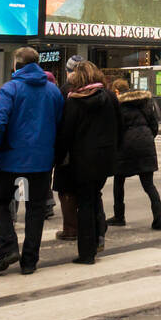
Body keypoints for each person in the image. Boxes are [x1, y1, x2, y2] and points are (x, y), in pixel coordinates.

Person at [0, 47, 65, 274]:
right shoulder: (53, 91)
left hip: (9, 158)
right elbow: (60, 125)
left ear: (16, 65)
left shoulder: (10, 89)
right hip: (42, 160)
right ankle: (29, 261)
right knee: (36, 208)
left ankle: (7, 247)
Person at [56, 61, 120, 263]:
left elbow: (65, 133)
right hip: (104, 159)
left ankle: (87, 252)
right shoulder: (109, 97)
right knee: (94, 196)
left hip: (81, 160)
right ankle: (98, 238)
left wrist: (58, 158)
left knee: (85, 202)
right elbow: (120, 125)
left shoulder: (74, 101)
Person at [109, 79, 161, 229]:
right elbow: (154, 125)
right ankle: (159, 215)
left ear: (116, 91)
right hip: (145, 144)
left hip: (126, 146)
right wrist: (147, 138)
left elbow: (116, 129)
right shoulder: (145, 102)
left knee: (119, 181)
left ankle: (119, 215)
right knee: (148, 184)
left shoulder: (118, 106)